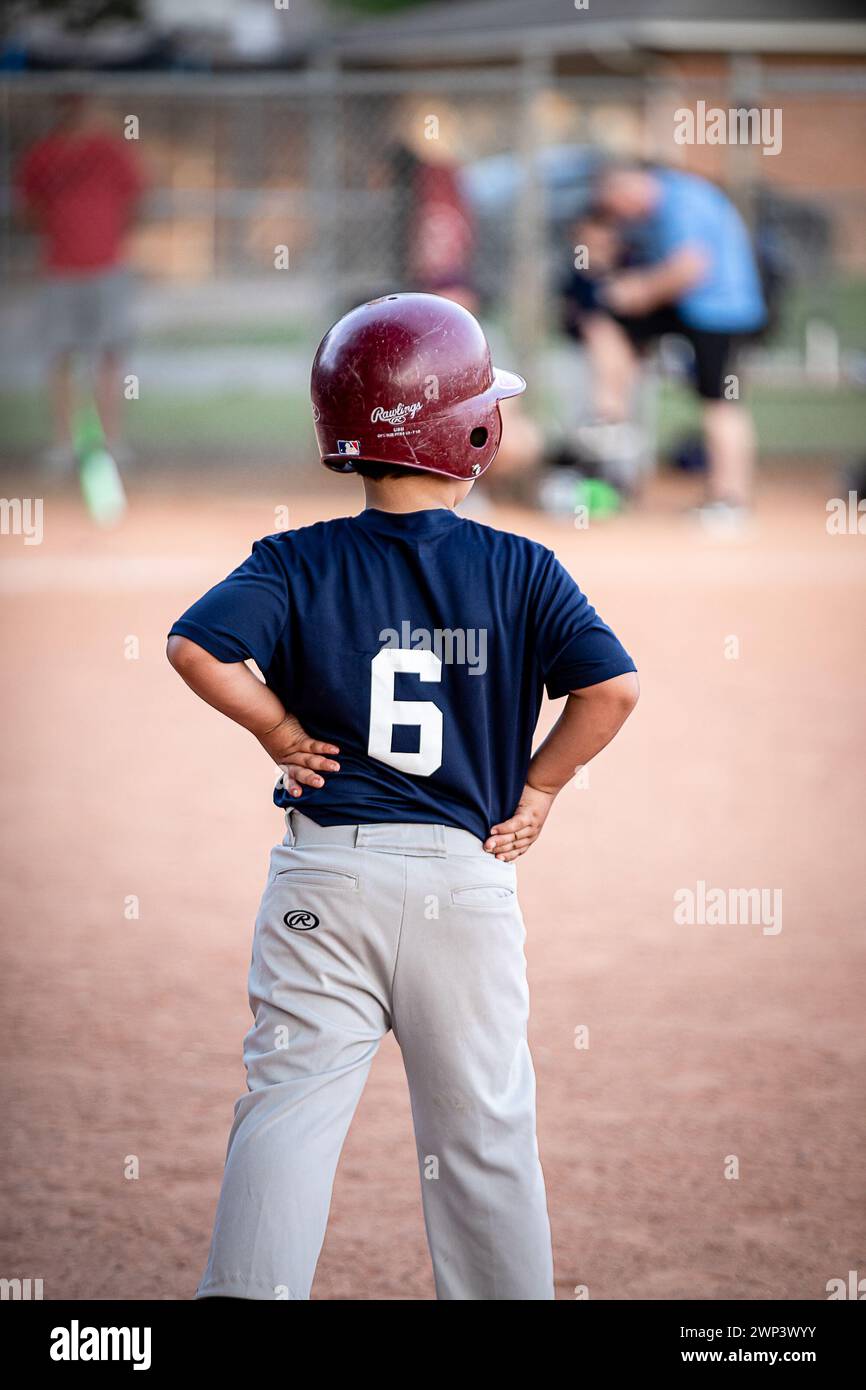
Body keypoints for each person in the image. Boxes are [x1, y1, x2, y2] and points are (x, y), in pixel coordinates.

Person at [167, 292, 639, 1301]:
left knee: (286, 1110)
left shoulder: (294, 558)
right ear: (474, 430)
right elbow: (611, 689)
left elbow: (194, 645)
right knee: (483, 1131)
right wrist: (541, 786)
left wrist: (281, 733)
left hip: (322, 877)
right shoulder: (521, 566)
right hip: (462, 885)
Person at [567, 162, 766, 528]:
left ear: (627, 187)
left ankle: (730, 499)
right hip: (688, 308)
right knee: (605, 319)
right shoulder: (661, 206)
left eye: (615, 204)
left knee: (719, 403)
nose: (619, 216)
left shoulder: (682, 201)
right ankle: (609, 417)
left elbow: (691, 269)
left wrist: (639, 291)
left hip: (721, 313)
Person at [16, 94, 144, 467]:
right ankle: (64, 444)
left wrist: (106, 238)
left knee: (110, 353)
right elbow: (30, 207)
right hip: (60, 268)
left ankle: (110, 442)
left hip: (107, 266)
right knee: (61, 354)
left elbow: (135, 202)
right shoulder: (44, 154)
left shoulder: (112, 151)